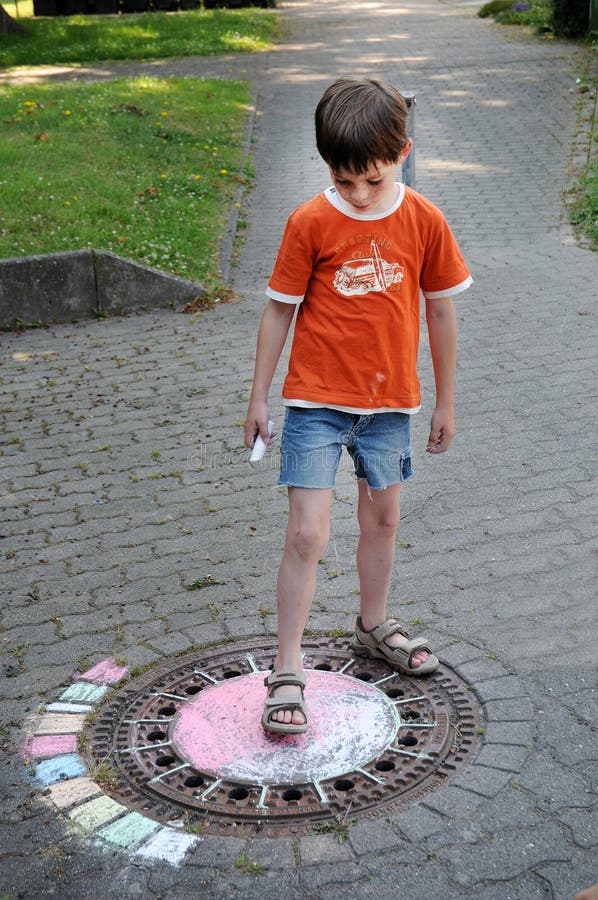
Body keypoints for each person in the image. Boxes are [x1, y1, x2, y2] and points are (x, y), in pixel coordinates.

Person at [244, 76, 472, 736]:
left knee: (383, 523)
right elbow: (278, 311)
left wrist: (446, 403)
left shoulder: (424, 219)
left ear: (402, 152)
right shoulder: (310, 221)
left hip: (390, 405)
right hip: (315, 402)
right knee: (308, 534)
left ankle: (372, 626)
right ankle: (288, 663)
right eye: (345, 181)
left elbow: (441, 312)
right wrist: (259, 395)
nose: (359, 195)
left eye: (371, 180)